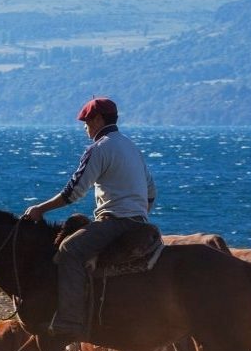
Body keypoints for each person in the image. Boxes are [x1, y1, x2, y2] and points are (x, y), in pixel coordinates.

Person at [22, 97, 156, 338]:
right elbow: (151, 193)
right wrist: (138, 212)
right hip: (140, 221)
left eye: (86, 121)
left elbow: (74, 192)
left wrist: (40, 209)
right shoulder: (131, 147)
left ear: (98, 119)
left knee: (68, 251)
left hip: (115, 222)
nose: (85, 127)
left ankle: (70, 323)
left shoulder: (99, 148)